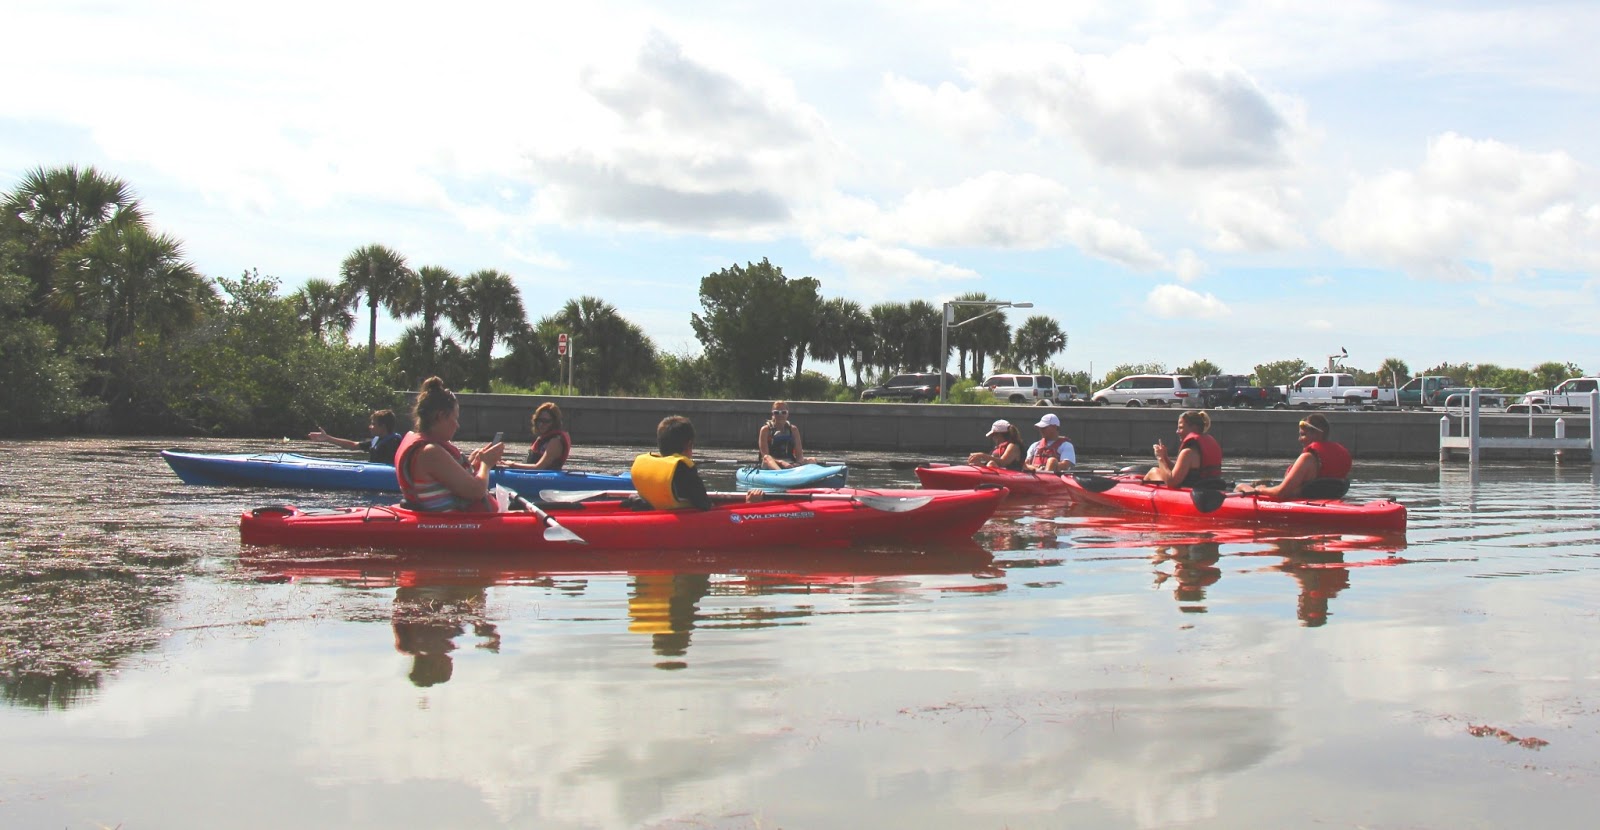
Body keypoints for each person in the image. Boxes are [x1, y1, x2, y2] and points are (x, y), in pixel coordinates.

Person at [394, 377, 505, 512]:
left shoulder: (427, 450)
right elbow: (476, 491)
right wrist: (485, 465)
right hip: (459, 526)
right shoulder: (430, 452)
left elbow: (446, 479)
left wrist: (474, 464)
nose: (457, 425)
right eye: (455, 418)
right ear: (441, 416)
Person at [632, 415, 762, 510]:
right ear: (689, 445)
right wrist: (749, 506)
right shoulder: (684, 470)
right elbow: (707, 508)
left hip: (655, 515)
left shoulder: (646, 463)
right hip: (677, 524)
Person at [1236, 413, 1352, 500]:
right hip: (1328, 501)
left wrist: (1261, 489)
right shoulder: (1341, 453)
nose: (1299, 439)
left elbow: (1281, 492)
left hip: (1300, 502)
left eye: (1303, 434)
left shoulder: (1307, 458)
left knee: (1241, 486)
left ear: (1317, 434)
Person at [1143, 410, 1224, 488]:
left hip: (1192, 493)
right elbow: (1182, 470)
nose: (1177, 431)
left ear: (1194, 428)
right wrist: (1165, 458)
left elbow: (1171, 482)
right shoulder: (1207, 444)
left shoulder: (1188, 452)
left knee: (1153, 471)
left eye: (1180, 427)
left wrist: (1160, 458)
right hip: (1211, 488)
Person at [306, 409, 404, 466]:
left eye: (373, 424)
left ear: (383, 426)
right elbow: (353, 445)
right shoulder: (377, 440)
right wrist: (327, 438)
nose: (370, 427)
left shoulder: (394, 443)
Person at [500, 402, 569, 470]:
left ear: (554, 422)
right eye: (539, 420)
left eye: (546, 421)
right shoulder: (542, 439)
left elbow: (538, 467)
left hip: (545, 479)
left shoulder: (555, 442)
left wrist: (512, 464)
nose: (541, 424)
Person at [757, 400, 814, 469]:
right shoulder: (765, 430)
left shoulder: (793, 430)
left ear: (787, 414)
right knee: (767, 457)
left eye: (783, 412)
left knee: (812, 460)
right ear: (772, 414)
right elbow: (764, 455)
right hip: (771, 463)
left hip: (789, 462)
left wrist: (798, 464)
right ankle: (780, 473)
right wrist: (781, 462)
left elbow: (799, 455)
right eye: (776, 412)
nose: (780, 415)